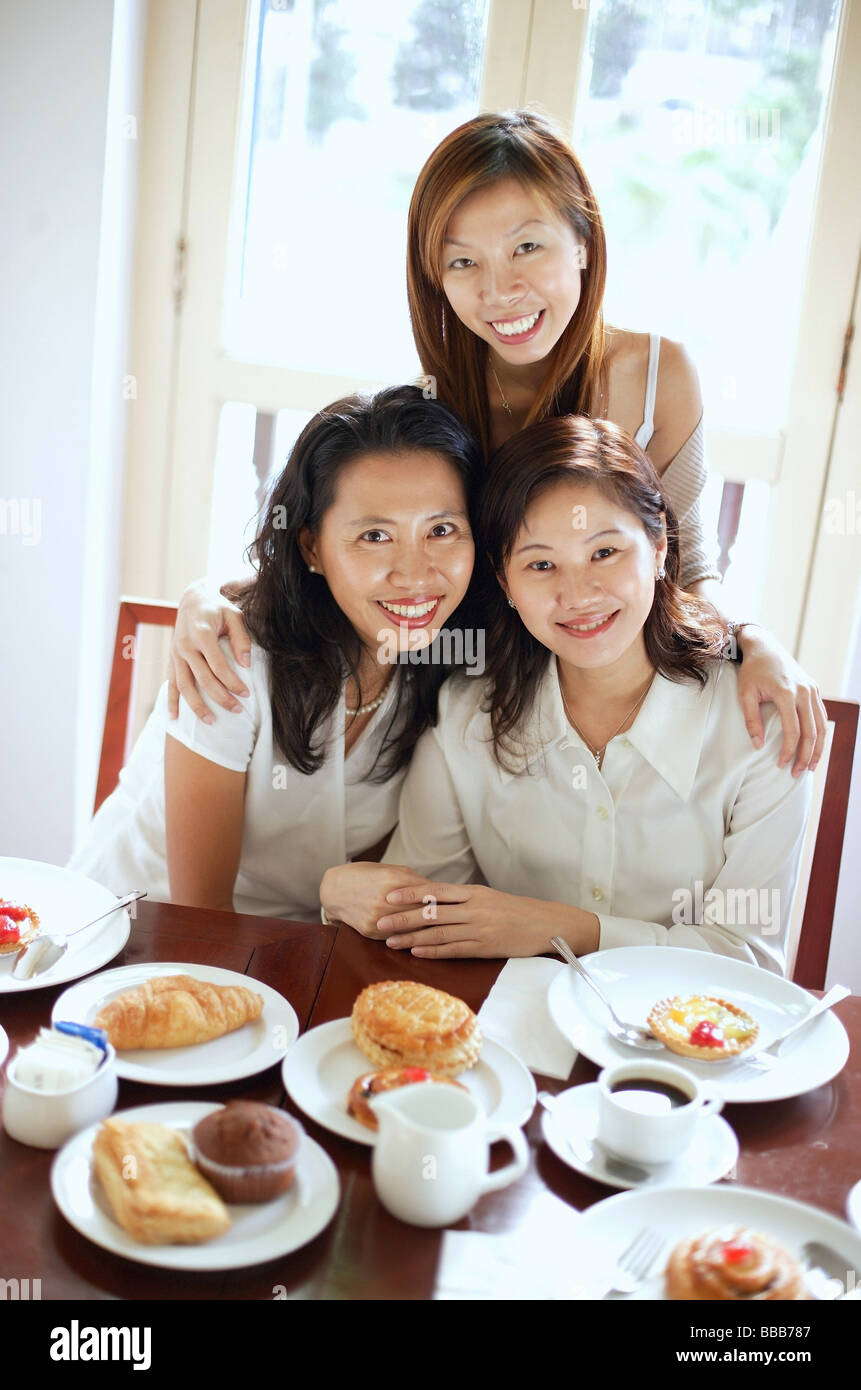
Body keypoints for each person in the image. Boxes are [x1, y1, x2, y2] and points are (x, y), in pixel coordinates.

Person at [168, 110, 825, 777]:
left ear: (584, 242)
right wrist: (209, 596)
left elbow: (685, 562)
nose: (499, 291)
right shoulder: (438, 401)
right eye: (462, 262)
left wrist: (752, 639)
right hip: (474, 696)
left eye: (526, 247)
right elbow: (371, 547)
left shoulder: (657, 377)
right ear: (435, 279)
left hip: (606, 687)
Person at [320, 416, 812, 975]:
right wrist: (336, 891)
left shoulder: (760, 724)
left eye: (605, 553)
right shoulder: (465, 716)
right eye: (541, 564)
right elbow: (418, 919)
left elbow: (749, 963)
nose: (578, 595)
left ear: (658, 547)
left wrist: (567, 930)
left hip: (689, 1051)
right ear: (504, 582)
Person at [67, 387, 480, 919]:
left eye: (441, 530)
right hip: (141, 934)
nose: (416, 574)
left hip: (294, 948)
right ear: (312, 547)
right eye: (375, 536)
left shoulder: (448, 668)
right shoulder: (234, 657)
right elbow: (202, 919)